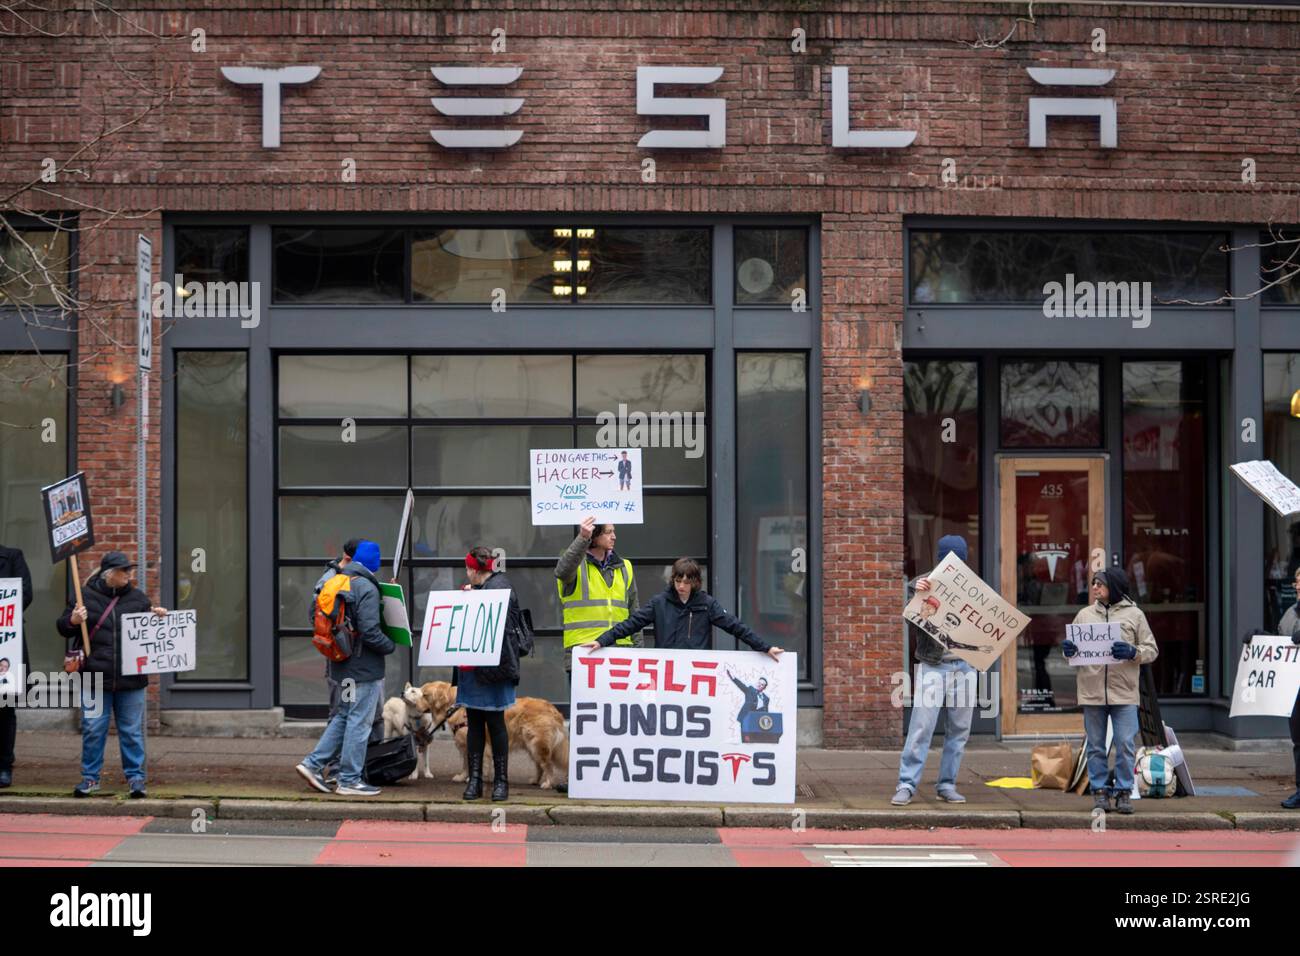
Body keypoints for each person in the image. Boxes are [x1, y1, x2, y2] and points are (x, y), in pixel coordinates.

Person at [56, 551, 168, 798]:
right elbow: (62, 627)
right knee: (94, 728)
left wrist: (157, 617)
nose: (129, 574)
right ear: (109, 574)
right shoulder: (84, 597)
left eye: (129, 570)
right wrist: (74, 620)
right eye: (124, 570)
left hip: (131, 678)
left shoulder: (138, 599)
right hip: (95, 676)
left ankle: (136, 778)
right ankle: (90, 778)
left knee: (131, 730)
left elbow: (146, 633)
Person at [296, 539, 395, 797]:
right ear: (375, 563)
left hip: (340, 664)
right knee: (359, 722)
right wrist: (390, 645)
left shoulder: (337, 581)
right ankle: (349, 779)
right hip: (363, 667)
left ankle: (312, 764)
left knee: (343, 717)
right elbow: (371, 632)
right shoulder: (368, 588)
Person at [1063, 567, 1158, 815]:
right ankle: (1100, 791)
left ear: (1114, 587)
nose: (1094, 587)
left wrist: (1133, 652)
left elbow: (1152, 649)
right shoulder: (1084, 615)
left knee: (1125, 743)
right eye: (1093, 583)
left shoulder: (1135, 615)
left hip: (1124, 692)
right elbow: (1070, 652)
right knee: (1095, 745)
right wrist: (1068, 650)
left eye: (1099, 584)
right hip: (1092, 691)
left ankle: (1124, 791)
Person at [892, 534, 977, 807]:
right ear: (941, 559)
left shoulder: (973, 587)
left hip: (964, 665)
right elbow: (908, 618)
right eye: (950, 558)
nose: (955, 564)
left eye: (959, 559)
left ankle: (947, 784)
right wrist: (917, 594)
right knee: (921, 727)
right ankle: (906, 783)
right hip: (934, 664)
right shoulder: (921, 583)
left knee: (960, 729)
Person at [580, 556, 782, 658]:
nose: (681, 587)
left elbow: (735, 626)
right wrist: (602, 641)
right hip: (666, 671)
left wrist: (765, 648)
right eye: (678, 581)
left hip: (696, 670)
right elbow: (631, 624)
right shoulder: (659, 603)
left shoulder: (706, 604)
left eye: (686, 582)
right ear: (672, 580)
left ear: (695, 582)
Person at [458, 546, 527, 802]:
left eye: (468, 570)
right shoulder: (487, 587)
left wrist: (472, 597)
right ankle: (477, 780)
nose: (466, 574)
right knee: (475, 722)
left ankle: (499, 781)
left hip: (494, 669)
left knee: (494, 723)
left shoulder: (499, 588)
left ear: (476, 571)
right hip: (479, 668)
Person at [556, 515, 640, 678]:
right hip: (584, 653)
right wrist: (582, 538)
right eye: (608, 532)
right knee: (586, 705)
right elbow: (562, 571)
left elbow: (635, 614)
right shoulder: (575, 566)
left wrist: (638, 655)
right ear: (595, 535)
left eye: (613, 531)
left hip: (621, 654)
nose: (614, 536)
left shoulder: (625, 567)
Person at [0, 542, 32, 789]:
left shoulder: (12, 556)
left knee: (4, 711)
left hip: (5, 646)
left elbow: (26, 594)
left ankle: (3, 766)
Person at [1267, 570, 1300, 810]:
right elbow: (1280, 643)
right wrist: (1259, 638)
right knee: (1298, 742)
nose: (1296, 585)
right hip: (1294, 686)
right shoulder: (1291, 613)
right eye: (1297, 581)